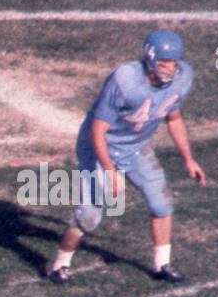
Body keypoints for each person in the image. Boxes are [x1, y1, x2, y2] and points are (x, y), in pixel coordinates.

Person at [47, 29, 204, 284]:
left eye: (173, 63)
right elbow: (97, 130)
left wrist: (188, 159)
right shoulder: (125, 80)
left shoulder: (182, 78)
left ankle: (161, 264)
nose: (169, 69)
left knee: (161, 202)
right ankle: (58, 266)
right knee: (90, 214)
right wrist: (110, 170)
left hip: (135, 146)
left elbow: (174, 119)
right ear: (150, 59)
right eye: (163, 63)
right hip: (99, 145)